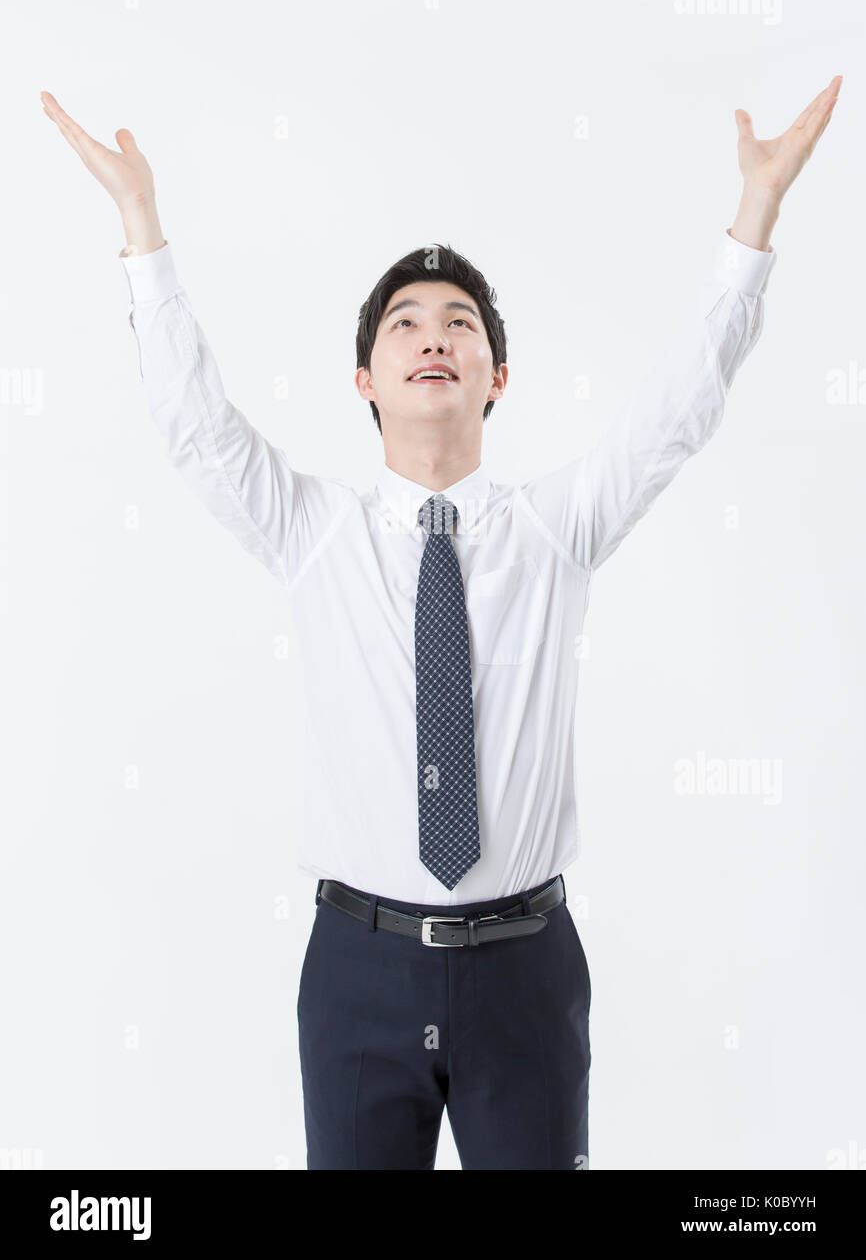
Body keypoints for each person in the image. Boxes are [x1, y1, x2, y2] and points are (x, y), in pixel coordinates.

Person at [41, 76, 841, 1170]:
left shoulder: (555, 528)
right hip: (358, 968)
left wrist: (752, 217)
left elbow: (677, 410)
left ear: (494, 375)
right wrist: (141, 224)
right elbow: (197, 432)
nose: (432, 338)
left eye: (458, 324)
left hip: (526, 964)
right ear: (363, 377)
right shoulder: (312, 530)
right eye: (404, 324)